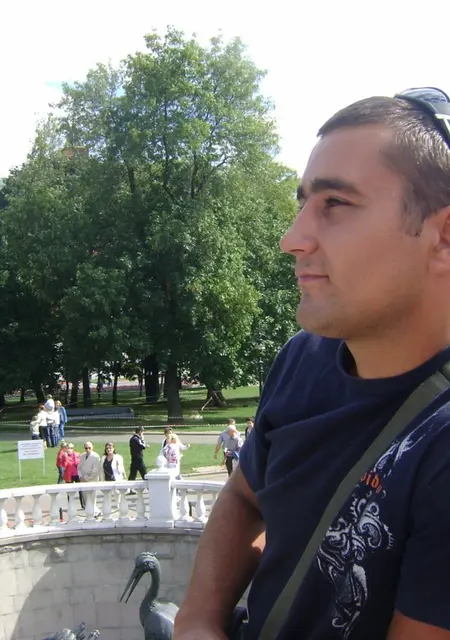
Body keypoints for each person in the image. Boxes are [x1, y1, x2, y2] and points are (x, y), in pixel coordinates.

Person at [174, 88, 450, 640]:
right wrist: (198, 620)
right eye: (303, 204)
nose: (291, 239)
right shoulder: (304, 357)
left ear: (443, 237)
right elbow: (245, 496)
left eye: (335, 204)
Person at [78, 441, 101, 515]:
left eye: (89, 448)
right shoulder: (82, 456)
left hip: (92, 480)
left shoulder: (96, 456)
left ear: (92, 447)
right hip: (83, 480)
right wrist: (80, 476)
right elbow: (79, 467)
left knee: (92, 498)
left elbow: (95, 470)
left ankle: (94, 513)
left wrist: (86, 478)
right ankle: (91, 512)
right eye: (86, 448)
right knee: (86, 498)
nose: (87, 449)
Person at [64, 443, 84, 508]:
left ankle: (83, 504)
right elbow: (64, 465)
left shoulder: (77, 454)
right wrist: (65, 458)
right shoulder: (64, 456)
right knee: (70, 491)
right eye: (68, 448)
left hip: (78, 474)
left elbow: (79, 463)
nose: (69, 449)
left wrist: (76, 460)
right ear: (66, 449)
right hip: (69, 475)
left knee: (81, 490)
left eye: (71, 448)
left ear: (73, 449)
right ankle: (70, 505)